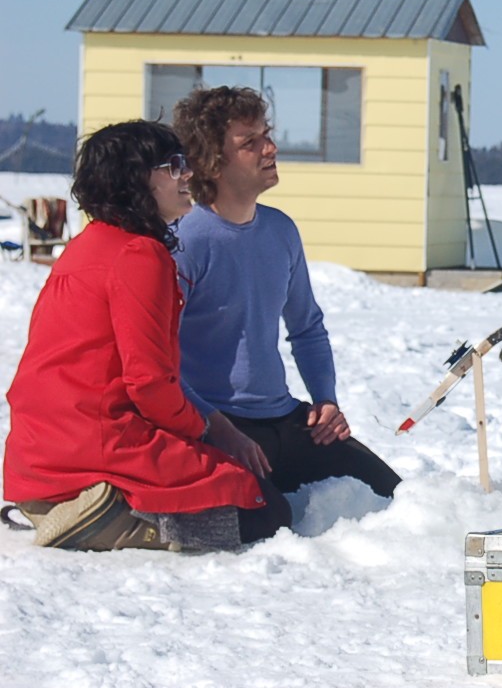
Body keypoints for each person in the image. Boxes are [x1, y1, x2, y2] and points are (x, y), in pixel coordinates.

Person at [3, 120, 290, 551]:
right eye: (173, 166)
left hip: (39, 451)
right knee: (261, 506)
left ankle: (67, 504)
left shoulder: (90, 243)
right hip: (94, 444)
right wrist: (203, 431)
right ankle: (111, 520)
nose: (187, 174)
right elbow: (151, 384)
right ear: (135, 179)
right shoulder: (140, 255)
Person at [171, 87, 401, 500]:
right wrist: (211, 425)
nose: (270, 148)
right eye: (250, 142)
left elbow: (307, 328)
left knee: (391, 497)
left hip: (283, 419)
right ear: (211, 162)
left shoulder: (281, 230)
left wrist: (325, 400)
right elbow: (157, 357)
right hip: (214, 426)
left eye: (267, 134)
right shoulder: (185, 240)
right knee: (268, 519)